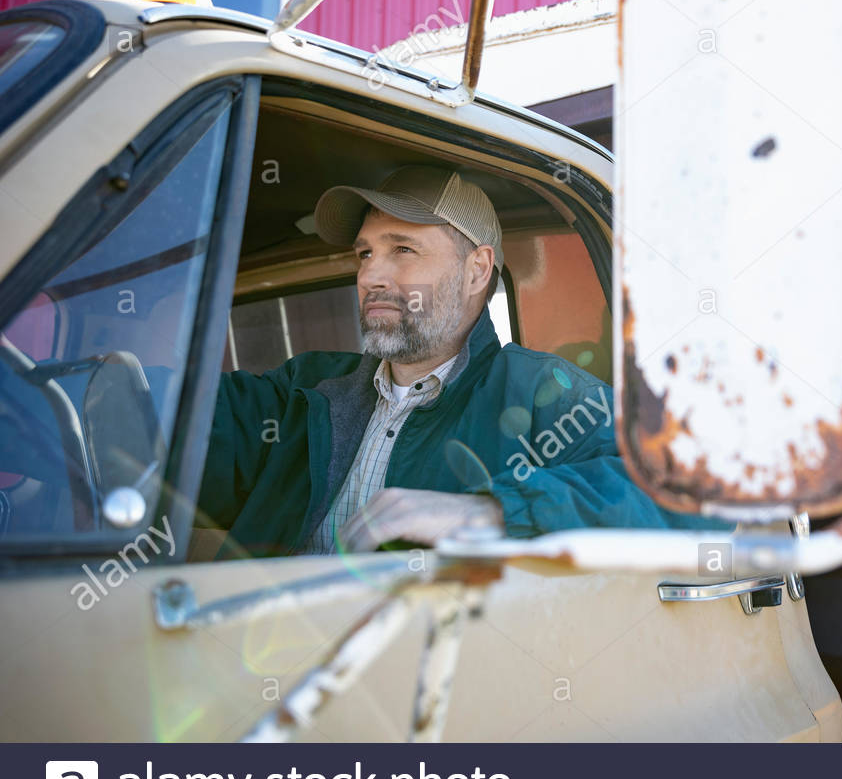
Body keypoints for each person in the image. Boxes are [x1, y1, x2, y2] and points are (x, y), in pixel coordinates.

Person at [197, 165, 700, 557]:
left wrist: (492, 513)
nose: (372, 275)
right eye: (365, 253)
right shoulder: (304, 388)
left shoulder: (536, 391)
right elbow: (184, 421)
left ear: (476, 269)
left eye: (403, 249)